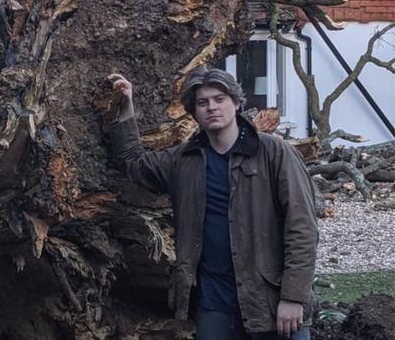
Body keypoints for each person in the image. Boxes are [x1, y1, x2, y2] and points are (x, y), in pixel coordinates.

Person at [107, 67, 318, 340]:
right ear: (193, 112)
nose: (212, 108)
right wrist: (125, 104)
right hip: (214, 301)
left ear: (237, 103)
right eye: (203, 102)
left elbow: (303, 228)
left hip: (271, 299)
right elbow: (135, 163)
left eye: (220, 99)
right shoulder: (184, 159)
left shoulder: (274, 152)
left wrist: (294, 297)